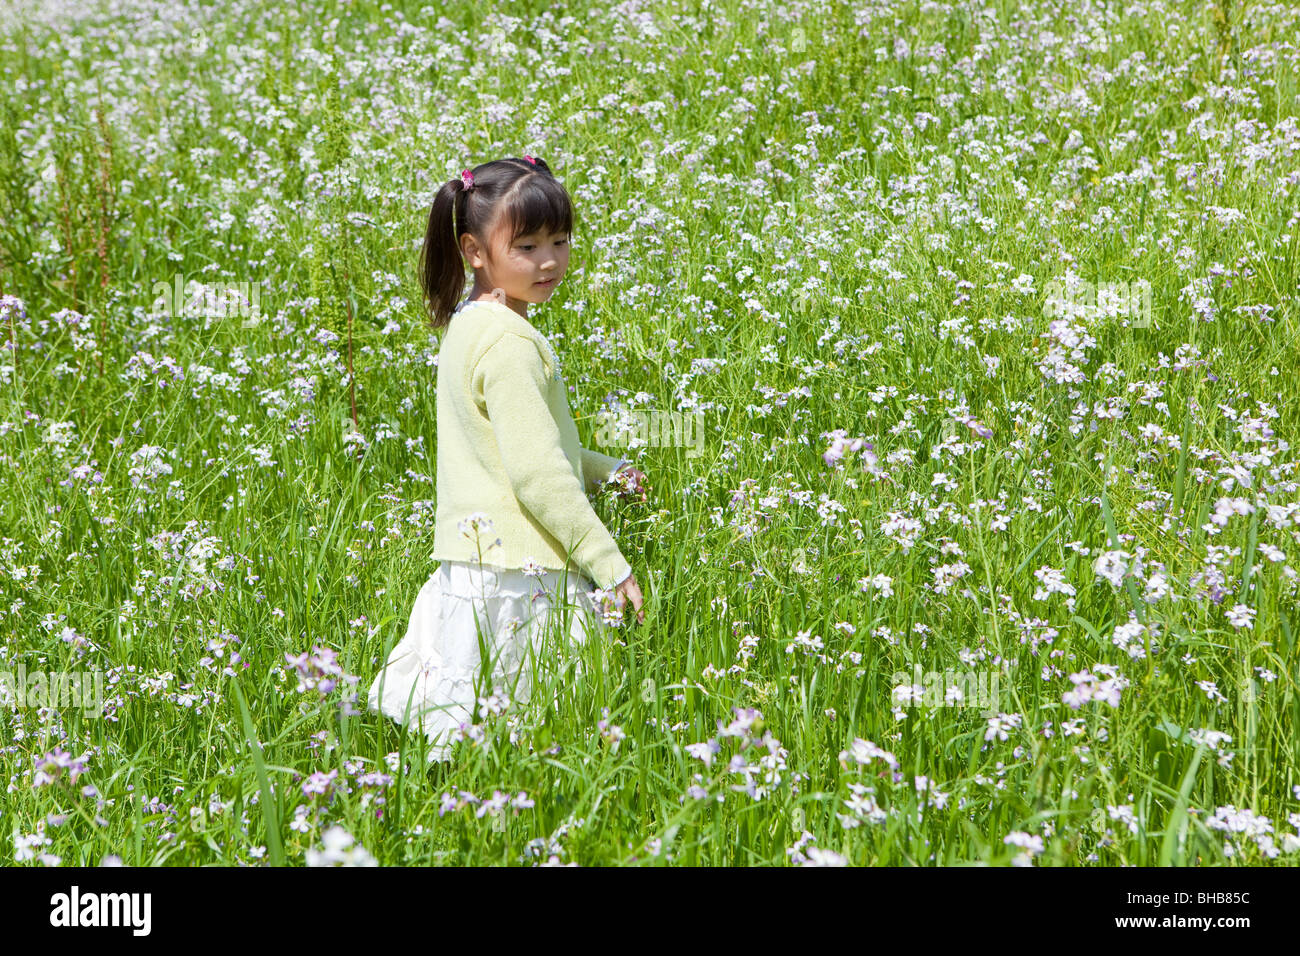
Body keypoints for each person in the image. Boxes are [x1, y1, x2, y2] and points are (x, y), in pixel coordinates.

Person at [367, 155, 648, 763]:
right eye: (526, 246)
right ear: (475, 250)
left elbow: (520, 444)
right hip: (524, 571)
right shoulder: (510, 343)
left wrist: (607, 471)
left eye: (561, 241)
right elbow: (536, 473)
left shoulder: (469, 326)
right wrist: (610, 564)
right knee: (534, 727)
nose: (549, 261)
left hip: (477, 558)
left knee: (472, 726)